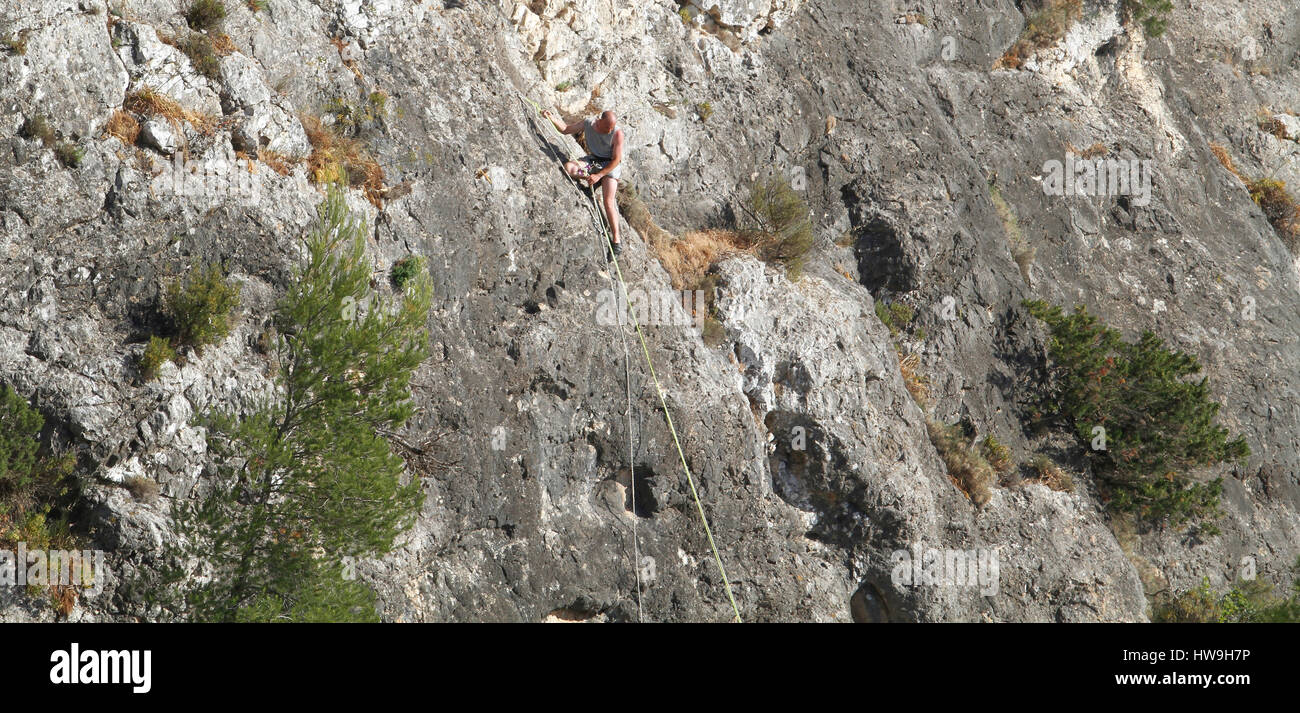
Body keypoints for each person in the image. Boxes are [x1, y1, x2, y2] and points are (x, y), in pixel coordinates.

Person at [542, 109, 625, 255]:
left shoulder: (617, 133)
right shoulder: (588, 123)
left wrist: (599, 176)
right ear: (599, 121)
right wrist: (551, 118)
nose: (610, 130)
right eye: (607, 127)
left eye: (611, 127)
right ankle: (592, 179)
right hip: (594, 161)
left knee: (608, 201)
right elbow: (566, 129)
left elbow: (616, 160)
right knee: (569, 168)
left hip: (610, 166)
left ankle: (617, 241)